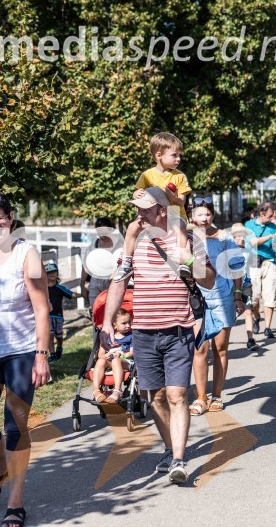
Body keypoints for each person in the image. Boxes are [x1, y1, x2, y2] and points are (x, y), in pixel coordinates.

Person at [100, 186, 215, 484]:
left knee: (177, 394)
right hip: (144, 334)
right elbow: (119, 281)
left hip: (178, 330)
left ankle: (178, 459)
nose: (139, 215)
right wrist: (107, 322)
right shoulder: (134, 242)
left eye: (145, 210)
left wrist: (189, 259)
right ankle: (168, 447)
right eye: (136, 209)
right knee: (154, 397)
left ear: (162, 211)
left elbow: (211, 281)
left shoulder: (188, 240)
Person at [0, 190, 52, 527]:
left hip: (22, 352)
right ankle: (2, 467)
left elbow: (42, 308)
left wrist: (41, 355)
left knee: (16, 427)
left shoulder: (27, 254)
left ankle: (16, 501)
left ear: (10, 218)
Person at [188, 201, 245, 415]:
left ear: (213, 216)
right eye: (199, 214)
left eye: (208, 214)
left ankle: (217, 395)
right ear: (192, 216)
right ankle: (201, 397)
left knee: (219, 348)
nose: (204, 218)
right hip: (197, 298)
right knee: (199, 347)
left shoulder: (224, 237)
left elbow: (237, 267)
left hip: (222, 296)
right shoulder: (187, 237)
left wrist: (238, 296)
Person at [114, 132, 192, 282]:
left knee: (180, 226)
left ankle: (183, 260)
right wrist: (136, 194)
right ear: (159, 155)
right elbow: (138, 191)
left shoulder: (179, 176)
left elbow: (181, 201)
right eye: (174, 155)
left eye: (179, 155)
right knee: (131, 228)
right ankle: (126, 262)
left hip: (174, 211)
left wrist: (172, 197)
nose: (178, 159)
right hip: (152, 214)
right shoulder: (147, 175)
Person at [244, 202, 276, 344]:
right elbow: (253, 242)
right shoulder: (249, 225)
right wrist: (271, 237)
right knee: (255, 297)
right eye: (270, 216)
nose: (272, 218)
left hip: (269, 262)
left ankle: (268, 327)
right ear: (262, 214)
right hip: (253, 262)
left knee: (269, 294)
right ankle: (256, 317)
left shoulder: (274, 227)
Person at [91, 308, 134, 404]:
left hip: (125, 361)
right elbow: (100, 354)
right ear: (114, 324)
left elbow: (132, 353)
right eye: (124, 323)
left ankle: (117, 390)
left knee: (116, 360)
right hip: (110, 361)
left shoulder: (131, 336)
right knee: (100, 361)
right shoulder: (107, 337)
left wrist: (122, 355)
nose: (128, 325)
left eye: (129, 322)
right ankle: (96, 391)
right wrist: (105, 356)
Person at [80, 217, 116, 311]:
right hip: (95, 281)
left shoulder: (118, 244)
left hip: (112, 281)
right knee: (96, 312)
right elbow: (85, 266)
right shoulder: (93, 245)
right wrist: (82, 285)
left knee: (112, 312)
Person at [45, 262, 75, 362]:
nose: (52, 274)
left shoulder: (60, 288)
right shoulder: (43, 289)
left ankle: (59, 347)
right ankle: (52, 354)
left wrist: (84, 294)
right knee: (49, 335)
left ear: (57, 273)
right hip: (47, 315)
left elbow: (71, 295)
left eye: (54, 272)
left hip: (58, 316)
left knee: (58, 335)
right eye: (49, 273)